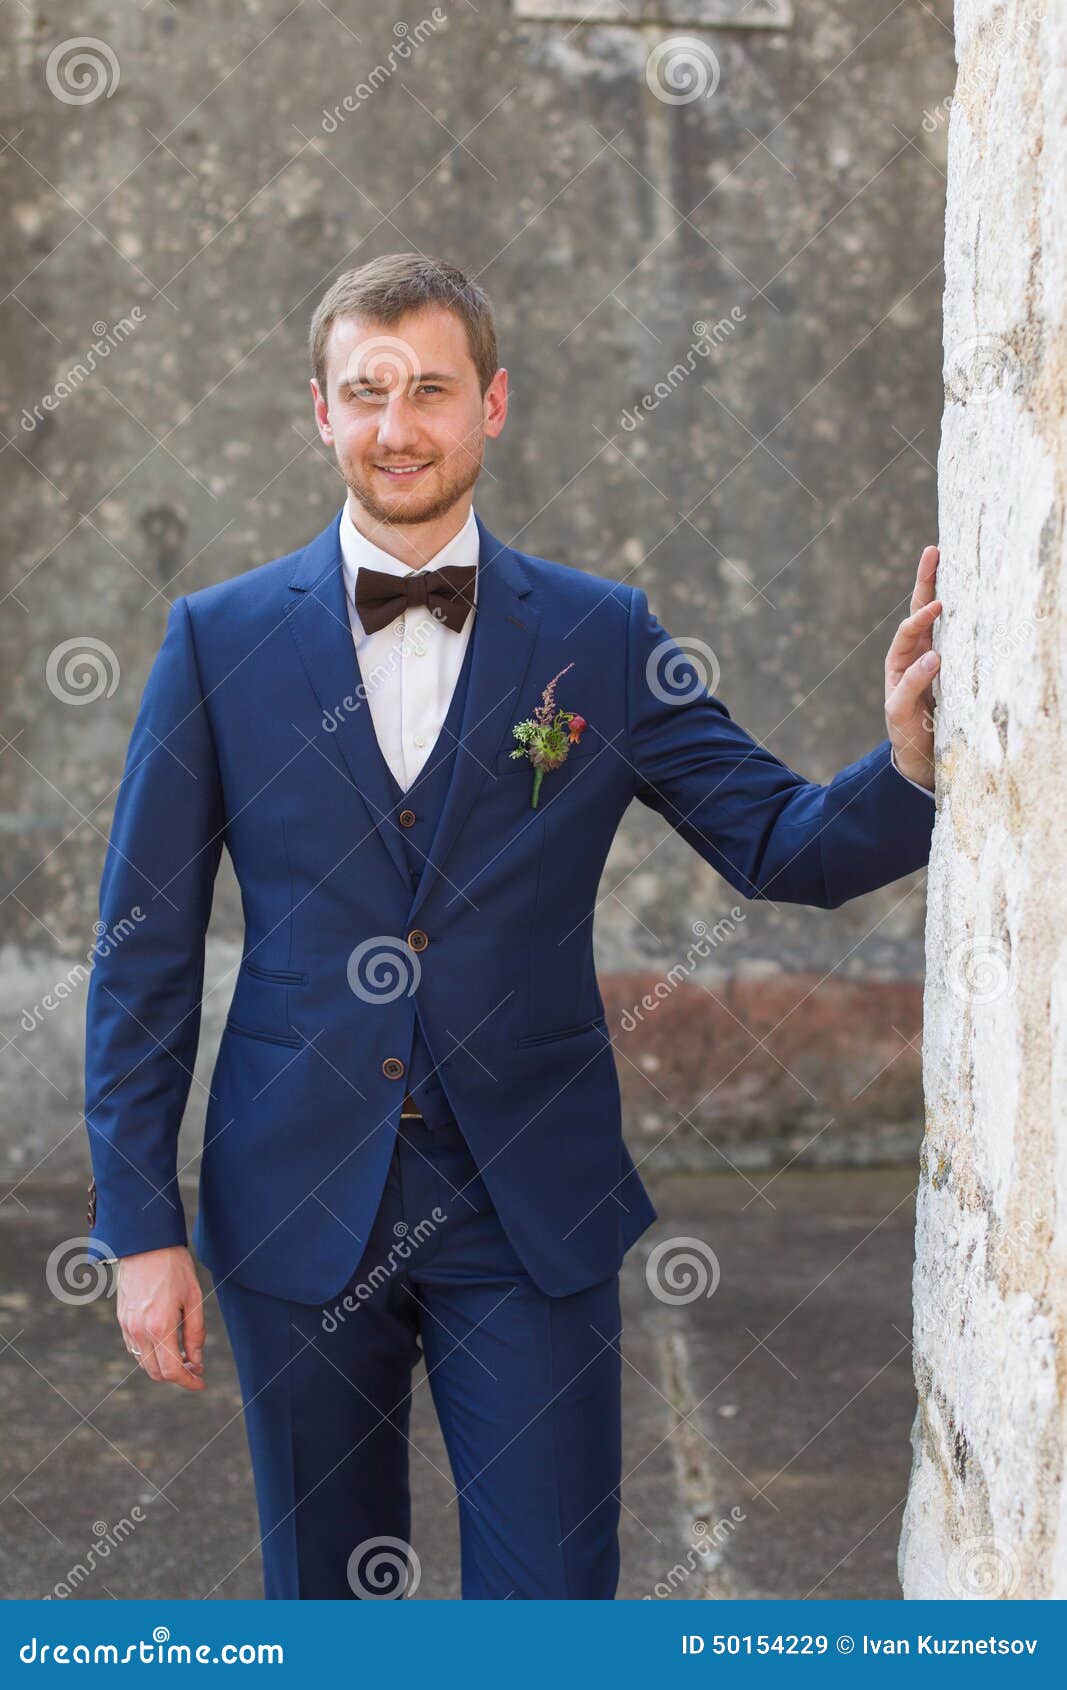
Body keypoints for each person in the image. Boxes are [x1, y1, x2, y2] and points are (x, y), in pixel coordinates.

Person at [83, 252, 940, 1600]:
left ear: (492, 403)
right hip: (294, 1195)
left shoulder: (602, 635)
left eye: (430, 388)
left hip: (527, 1201)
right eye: (367, 391)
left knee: (552, 1606)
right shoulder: (217, 641)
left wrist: (908, 767)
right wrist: (140, 1225)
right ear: (320, 409)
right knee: (326, 1610)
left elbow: (783, 842)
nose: (397, 425)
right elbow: (144, 950)